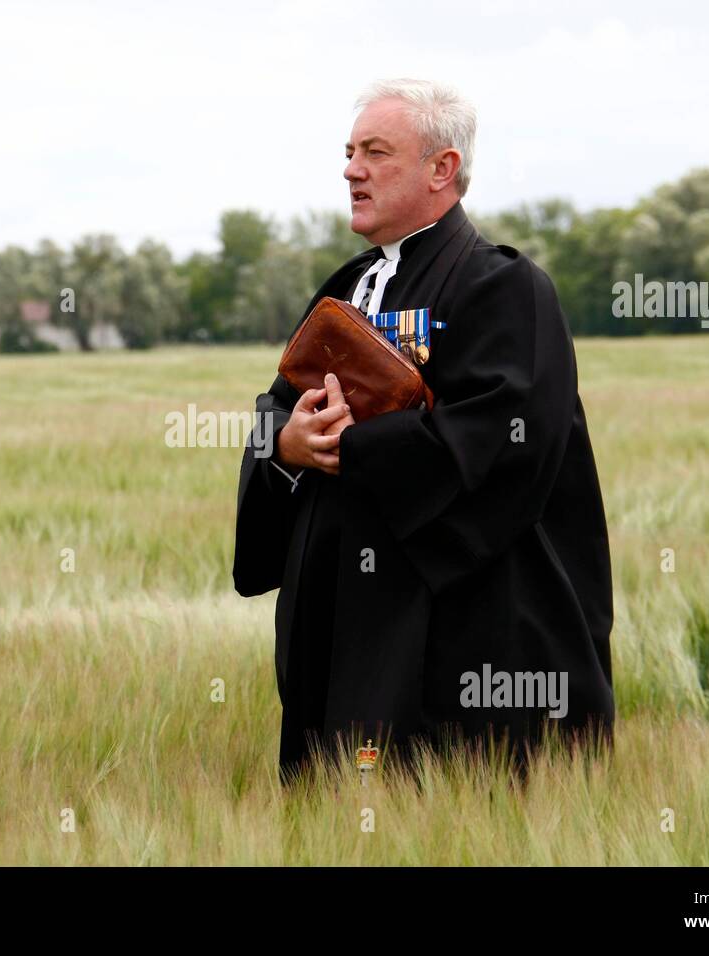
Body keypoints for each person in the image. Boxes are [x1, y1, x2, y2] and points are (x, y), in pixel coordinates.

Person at [233, 79, 615, 786]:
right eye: (349, 153)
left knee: (454, 810)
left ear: (442, 168)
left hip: (455, 640)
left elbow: (500, 443)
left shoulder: (502, 288)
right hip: (337, 623)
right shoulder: (344, 291)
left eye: (376, 152)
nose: (351, 169)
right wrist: (287, 447)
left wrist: (346, 448)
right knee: (333, 823)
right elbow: (278, 408)